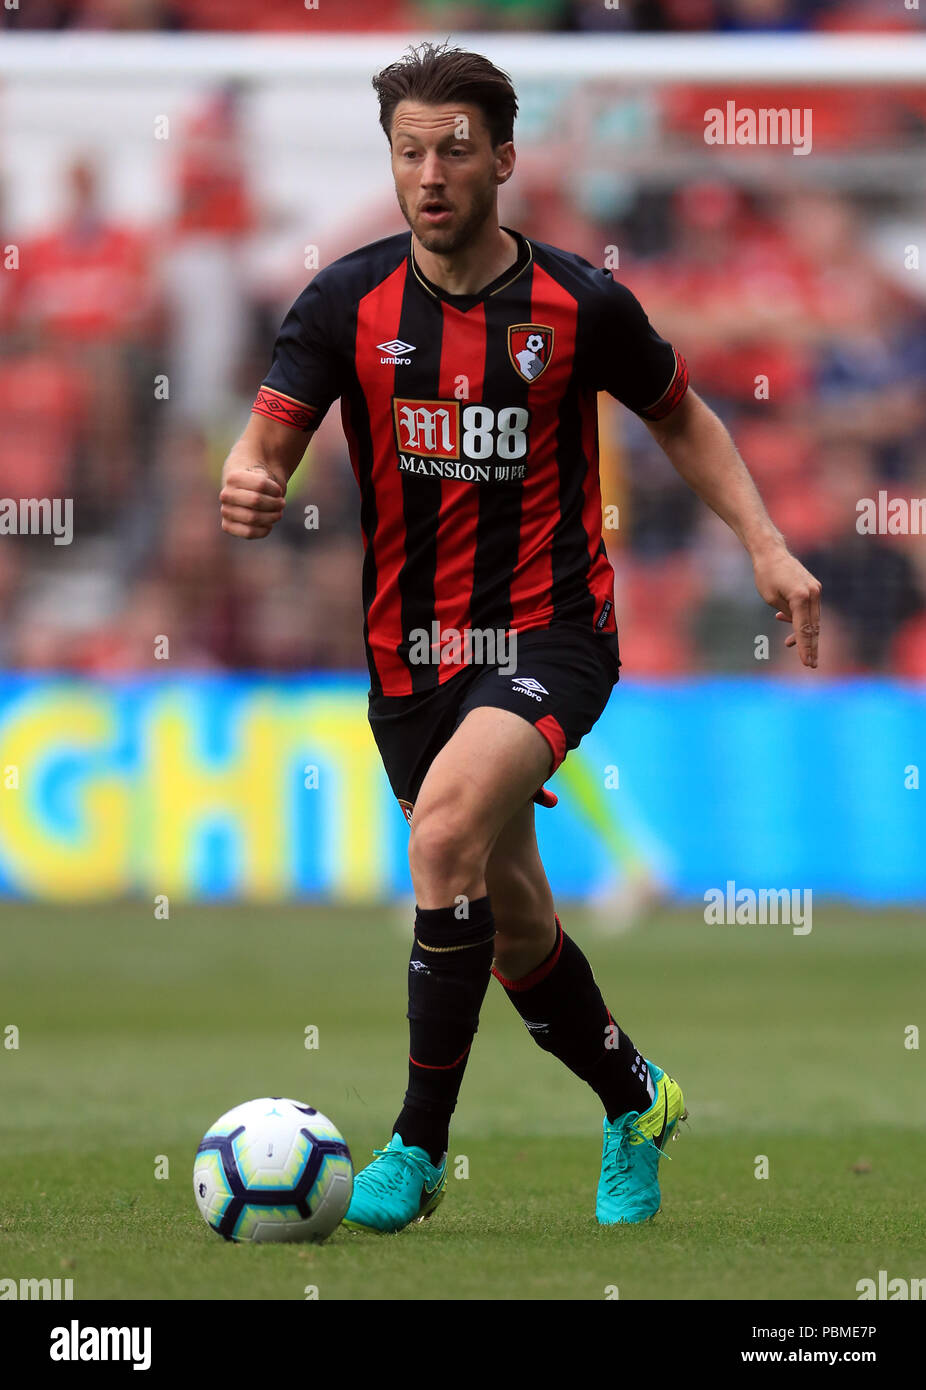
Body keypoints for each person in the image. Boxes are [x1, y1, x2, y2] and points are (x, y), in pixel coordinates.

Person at [219, 42, 821, 1232]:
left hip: (550, 629)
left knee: (440, 836)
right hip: (407, 658)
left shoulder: (577, 304)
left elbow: (681, 416)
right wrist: (247, 479)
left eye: (453, 150)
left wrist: (760, 540)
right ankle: (634, 1098)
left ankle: (415, 1149)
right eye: (408, 152)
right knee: (513, 921)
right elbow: (266, 445)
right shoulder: (344, 302)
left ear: (501, 158)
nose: (430, 174)